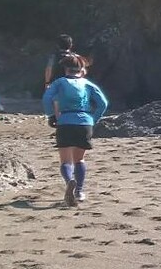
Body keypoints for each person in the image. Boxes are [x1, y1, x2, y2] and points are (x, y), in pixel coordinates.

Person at [39, 56, 109, 207]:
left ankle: (69, 181)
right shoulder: (88, 84)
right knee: (80, 160)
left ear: (65, 69)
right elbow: (103, 103)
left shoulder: (59, 82)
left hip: (65, 122)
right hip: (84, 123)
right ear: (81, 69)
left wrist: (51, 115)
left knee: (65, 161)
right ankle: (79, 191)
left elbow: (46, 98)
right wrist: (93, 119)